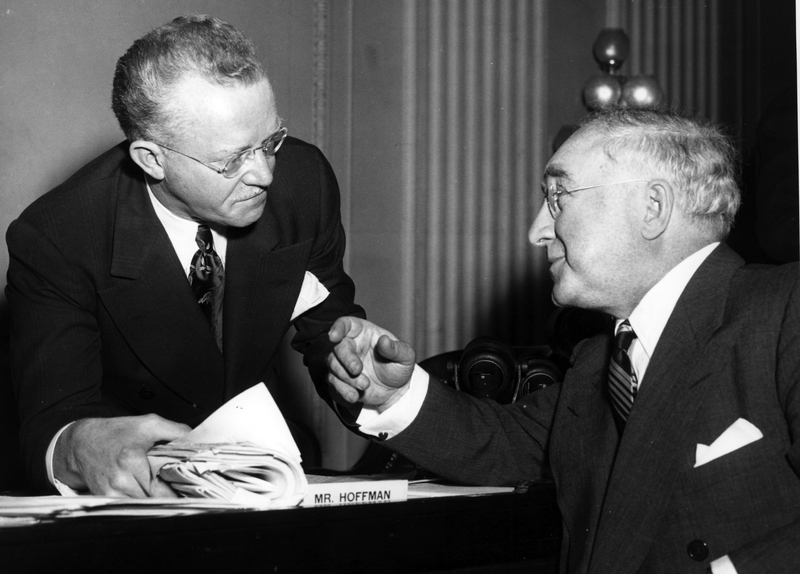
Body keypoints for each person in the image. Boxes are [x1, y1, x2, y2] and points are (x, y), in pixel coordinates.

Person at [326, 108, 800, 573]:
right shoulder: (600, 363)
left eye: (558, 196)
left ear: (652, 208)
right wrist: (394, 395)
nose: (537, 231)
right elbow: (501, 443)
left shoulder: (783, 311)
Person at [5, 14, 364, 497]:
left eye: (270, 141)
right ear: (152, 159)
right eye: (231, 160)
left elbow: (329, 332)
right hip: (141, 497)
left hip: (271, 471)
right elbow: (48, 424)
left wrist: (357, 369)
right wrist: (77, 446)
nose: (264, 175)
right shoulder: (59, 235)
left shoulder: (304, 182)